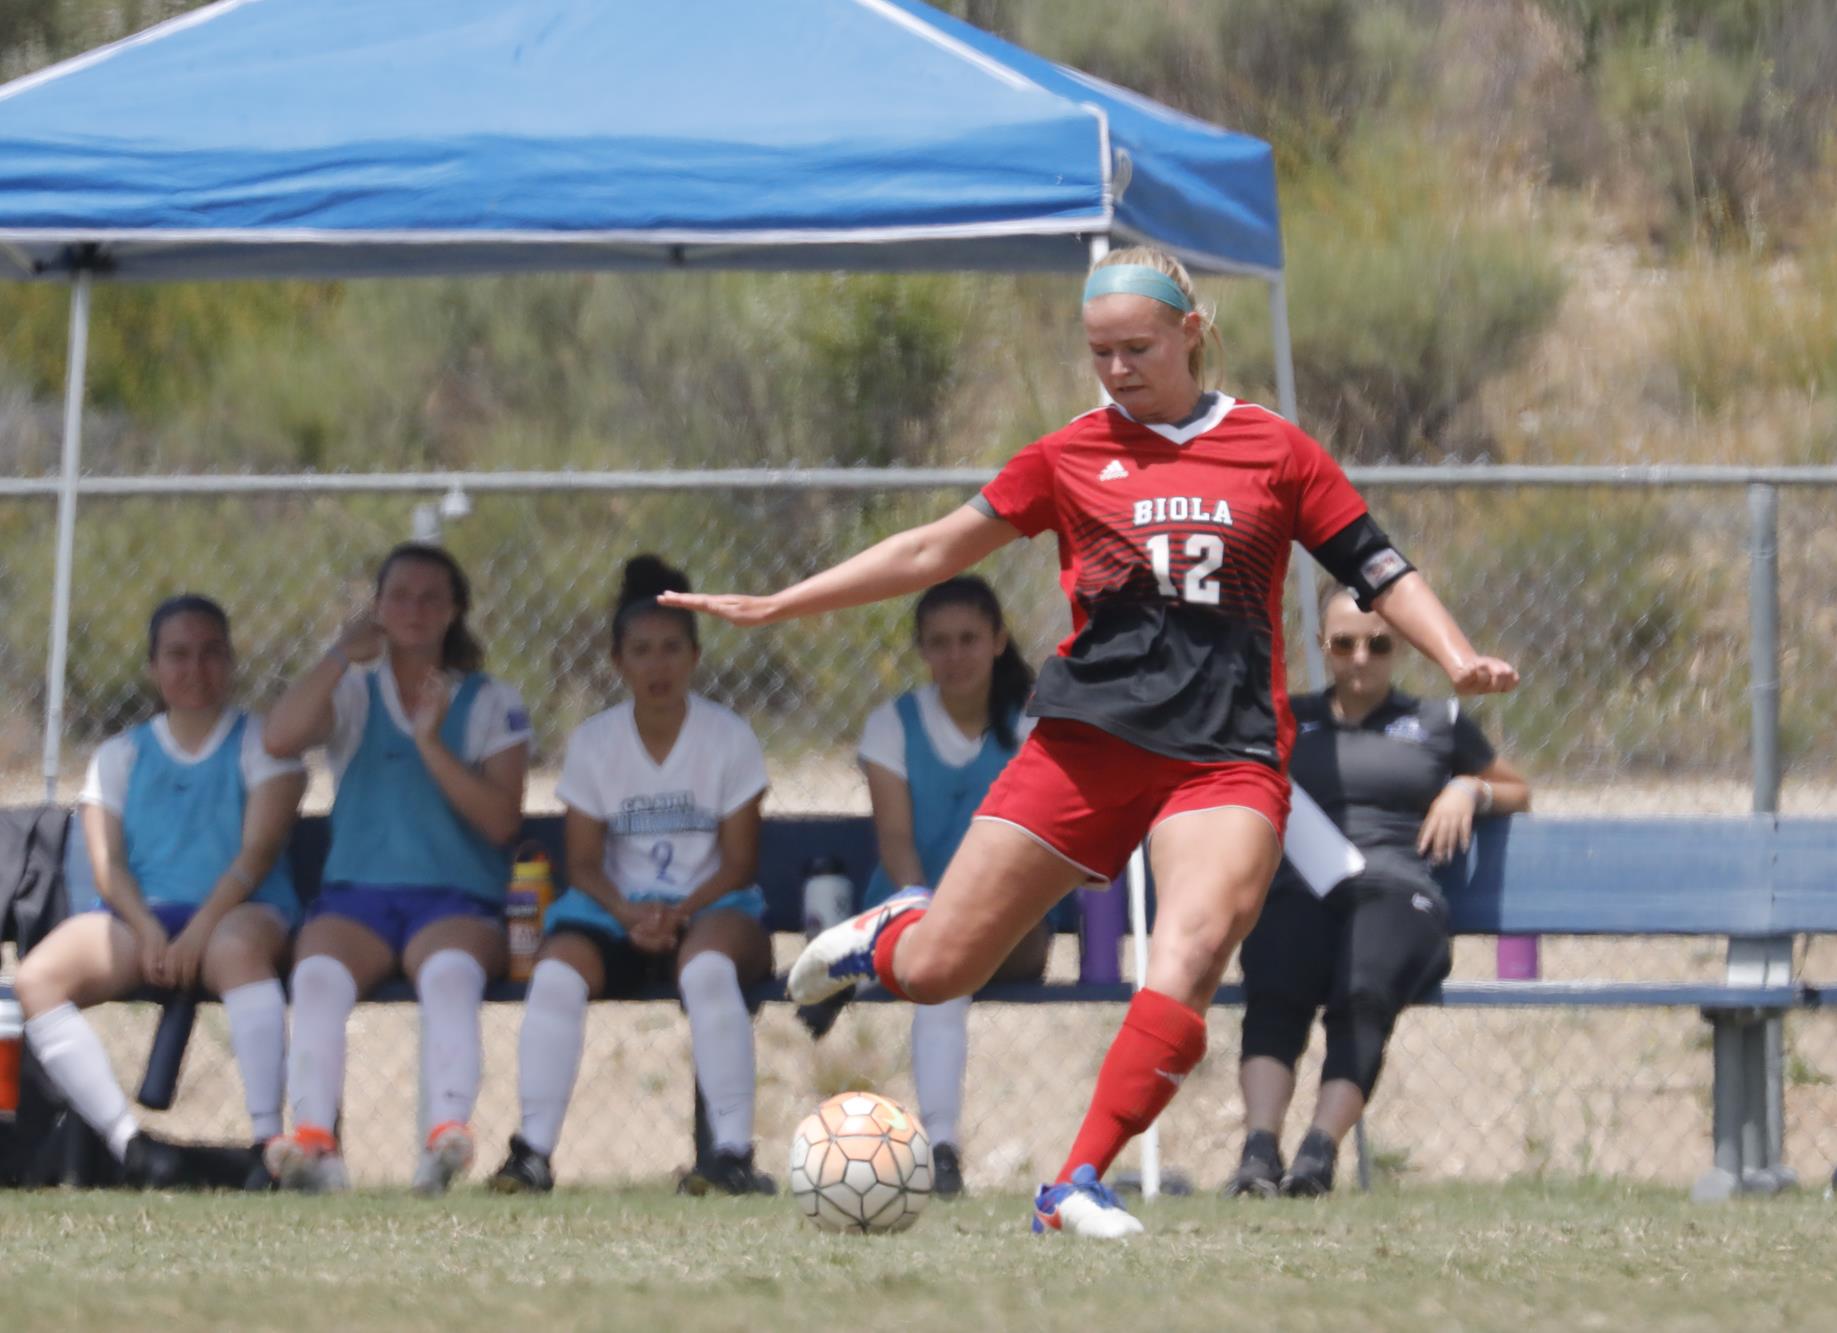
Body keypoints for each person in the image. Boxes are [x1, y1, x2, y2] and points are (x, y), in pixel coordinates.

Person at [659, 246, 1517, 1239]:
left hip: (1224, 751)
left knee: (1193, 947)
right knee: (939, 971)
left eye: (1136, 348)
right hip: (1085, 743)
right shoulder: (1067, 454)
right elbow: (936, 547)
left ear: (1191, 334)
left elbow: (1374, 564)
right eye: (1097, 352)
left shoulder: (1273, 449)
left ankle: (1071, 1183)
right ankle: (887, 933)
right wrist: (778, 603)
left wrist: (1454, 652)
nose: (1115, 369)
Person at [1224, 589, 1532, 1198]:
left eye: (1379, 644)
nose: (1360, 658)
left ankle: (1317, 1155)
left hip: (1398, 890)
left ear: (1400, 649)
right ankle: (1259, 1150)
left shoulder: (1437, 723)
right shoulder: (1286, 719)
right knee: (1276, 976)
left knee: (1364, 985)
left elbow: (1518, 789)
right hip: (1303, 888)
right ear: (1323, 648)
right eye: (1344, 644)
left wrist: (1470, 791)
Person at [489, 557, 774, 1196]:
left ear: (696, 656)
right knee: (557, 972)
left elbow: (739, 862)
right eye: (641, 651)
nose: (657, 666)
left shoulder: (729, 738)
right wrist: (628, 914)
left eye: (672, 649)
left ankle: (731, 1156)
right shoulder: (595, 742)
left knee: (706, 969)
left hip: (712, 910)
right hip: (614, 914)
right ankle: (531, 1153)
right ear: (618, 662)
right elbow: (583, 864)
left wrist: (676, 914)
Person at [260, 543, 530, 1194]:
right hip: (360, 896)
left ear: (455, 610)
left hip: (456, 896)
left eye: (432, 596)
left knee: (448, 975)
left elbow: (500, 821)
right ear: (377, 607)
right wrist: (335, 656)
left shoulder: (492, 700)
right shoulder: (352, 691)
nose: (414, 609)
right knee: (318, 975)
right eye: (399, 595)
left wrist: (429, 740)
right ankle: (316, 1144)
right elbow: (278, 737)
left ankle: (445, 1135)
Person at [15, 595, 305, 1185]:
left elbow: (256, 855)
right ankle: (132, 1146)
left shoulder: (262, 745)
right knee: (36, 978)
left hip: (239, 912)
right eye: (177, 655)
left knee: (236, 951)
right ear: (153, 667)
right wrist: (147, 929)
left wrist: (198, 933)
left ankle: (266, 1144)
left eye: (210, 653)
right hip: (141, 920)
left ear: (230, 661)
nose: (195, 670)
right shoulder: (119, 756)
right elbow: (108, 866)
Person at [849, 575, 1049, 1199]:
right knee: (941, 966)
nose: (954, 655)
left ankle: (940, 1150)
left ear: (998, 642)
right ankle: (941, 1150)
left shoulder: (1035, 727)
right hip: (910, 913)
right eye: (939, 642)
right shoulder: (892, 726)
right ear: (922, 651)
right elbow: (897, 843)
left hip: (1010, 925)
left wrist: (966, 921)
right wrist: (932, 915)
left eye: (968, 639)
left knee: (950, 962)